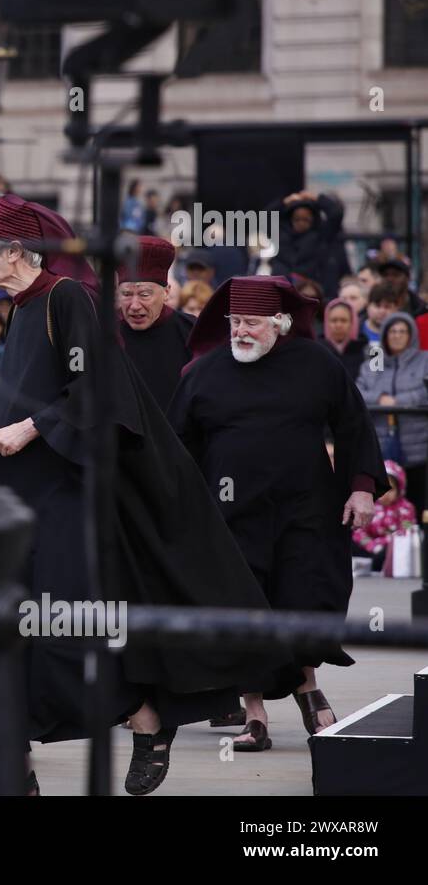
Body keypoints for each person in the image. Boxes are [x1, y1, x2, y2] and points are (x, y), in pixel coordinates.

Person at [0, 195, 286, 795]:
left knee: (65, 630)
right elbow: (27, 400)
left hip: (65, 501)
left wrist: (33, 428)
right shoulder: (21, 312)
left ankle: (145, 721)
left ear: (18, 252)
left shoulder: (67, 300)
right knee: (14, 636)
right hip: (21, 505)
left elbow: (99, 390)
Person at [170, 276, 385, 752]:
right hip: (231, 516)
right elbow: (177, 448)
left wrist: (362, 487)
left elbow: (353, 425)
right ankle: (255, 714)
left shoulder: (317, 364)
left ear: (279, 323)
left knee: (303, 596)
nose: (241, 331)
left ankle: (307, 686)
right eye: (234, 322)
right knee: (246, 608)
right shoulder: (202, 374)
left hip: (306, 508)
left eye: (251, 322)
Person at [357, 312, 428, 512]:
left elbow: (425, 391)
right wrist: (380, 399)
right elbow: (360, 391)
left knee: (416, 504)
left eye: (402, 331)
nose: (397, 335)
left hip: (417, 449)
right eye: (393, 331)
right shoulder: (376, 359)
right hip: (381, 445)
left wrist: (398, 401)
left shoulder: (424, 359)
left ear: (411, 335)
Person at [118, 236, 195, 409]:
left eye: (145, 295)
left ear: (166, 293)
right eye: (127, 294)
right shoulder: (103, 331)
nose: (135, 305)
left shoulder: (192, 331)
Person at [268, 190, 349, 300]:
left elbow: (336, 214)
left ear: (313, 220)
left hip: (310, 293)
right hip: (282, 292)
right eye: (297, 219)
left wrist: (317, 198)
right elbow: (264, 218)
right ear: (291, 219)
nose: (301, 223)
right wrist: (284, 202)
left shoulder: (321, 235)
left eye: (306, 219)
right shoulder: (281, 234)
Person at [322, 299, 367, 380]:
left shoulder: (365, 349)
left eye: (344, 320)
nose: (338, 325)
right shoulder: (318, 349)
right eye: (334, 320)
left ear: (352, 323)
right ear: (327, 322)